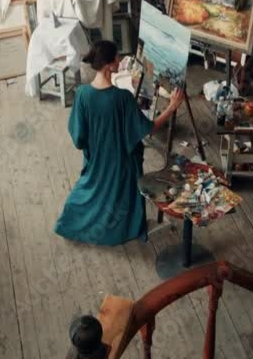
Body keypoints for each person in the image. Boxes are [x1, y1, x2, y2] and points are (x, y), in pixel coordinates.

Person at [54, 40, 185, 246]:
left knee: (88, 191)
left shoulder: (81, 95)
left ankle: (75, 222)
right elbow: (148, 128)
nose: (120, 59)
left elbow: (78, 138)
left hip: (96, 160)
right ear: (108, 65)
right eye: (116, 57)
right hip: (121, 164)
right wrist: (171, 107)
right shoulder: (122, 98)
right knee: (121, 188)